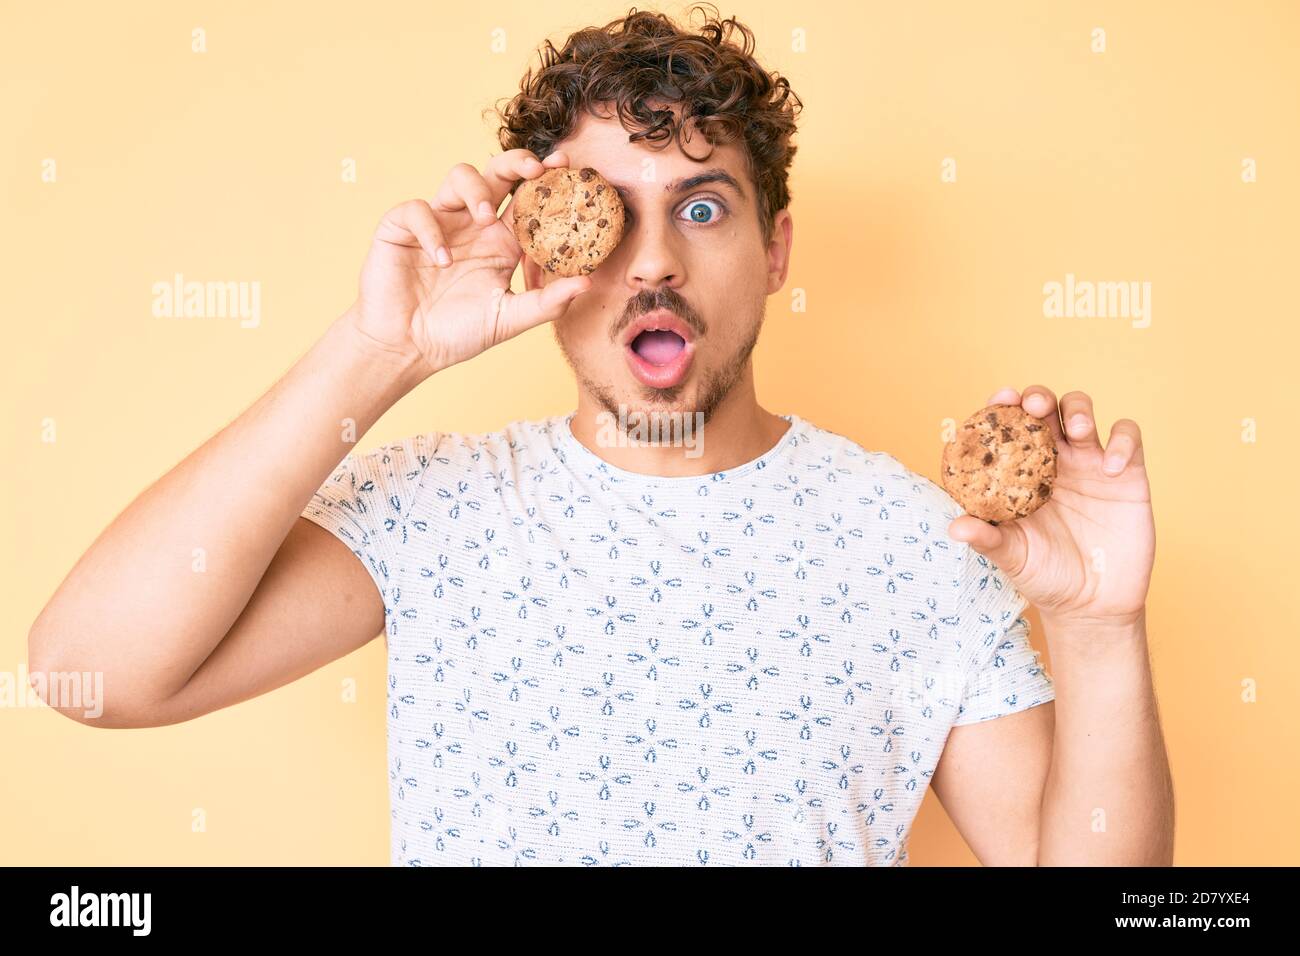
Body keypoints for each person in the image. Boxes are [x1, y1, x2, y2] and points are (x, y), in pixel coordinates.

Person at [27, 5, 1173, 866]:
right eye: (608, 211)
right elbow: (93, 674)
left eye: (704, 205)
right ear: (543, 250)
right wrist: (382, 351)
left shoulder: (931, 542)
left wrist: (1098, 626)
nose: (655, 259)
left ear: (775, 250)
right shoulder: (435, 507)